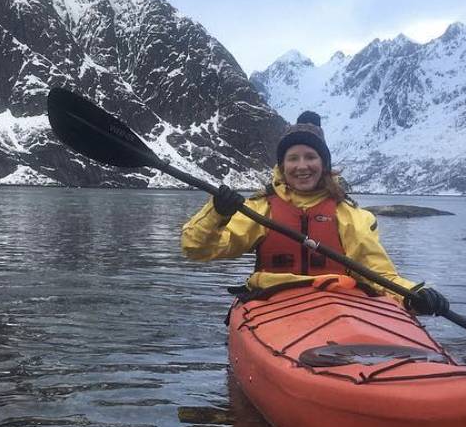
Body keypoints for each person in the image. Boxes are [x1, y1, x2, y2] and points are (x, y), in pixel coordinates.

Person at [180, 111, 450, 315]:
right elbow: (195, 248)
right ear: (282, 166)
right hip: (272, 305)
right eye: (293, 158)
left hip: (337, 307)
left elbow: (378, 274)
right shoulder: (261, 209)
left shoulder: (349, 215)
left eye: (310, 157)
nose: (302, 166)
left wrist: (412, 294)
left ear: (323, 164)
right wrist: (217, 212)